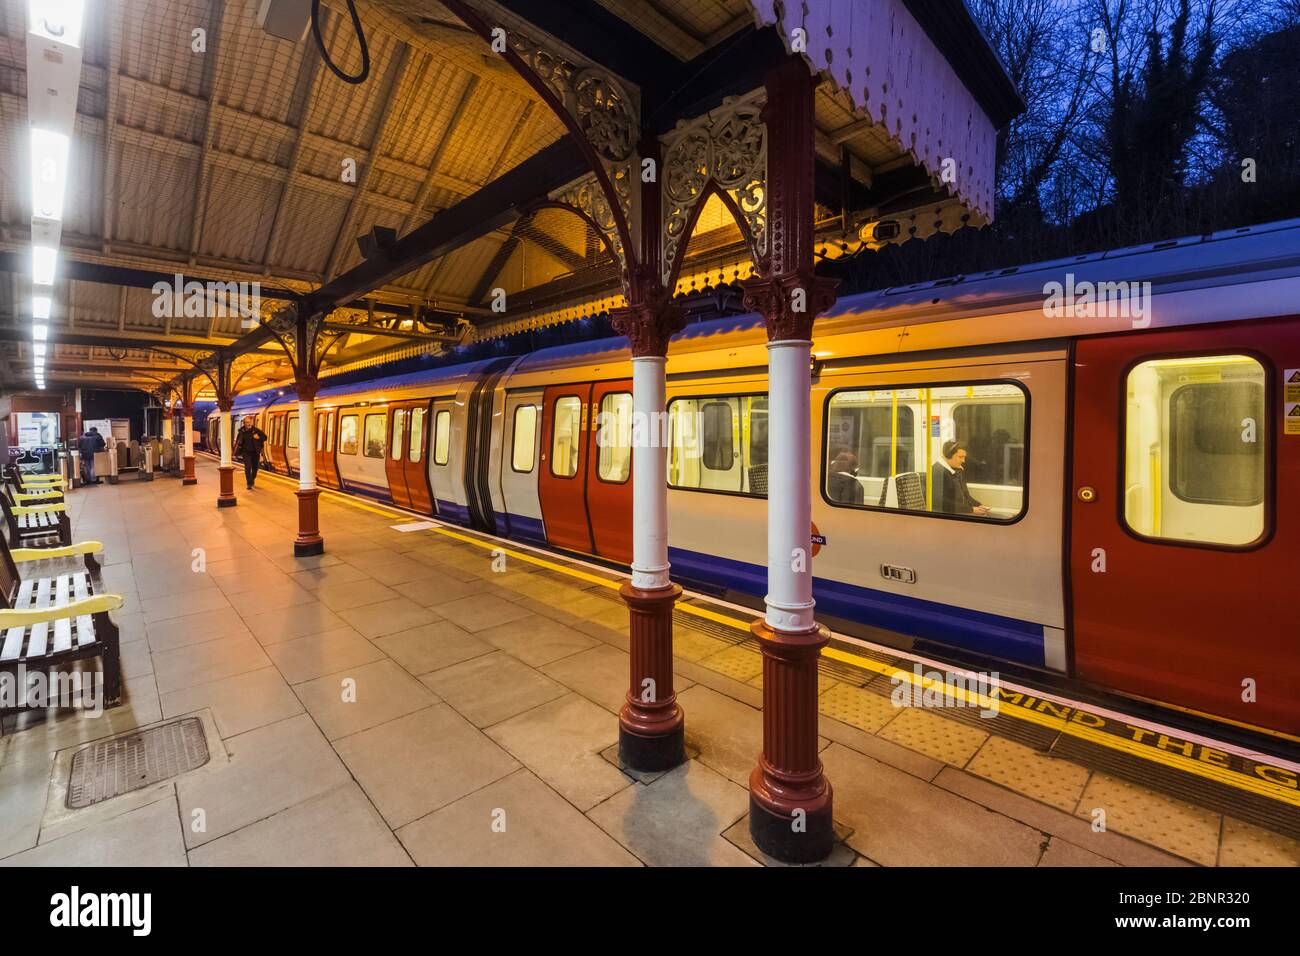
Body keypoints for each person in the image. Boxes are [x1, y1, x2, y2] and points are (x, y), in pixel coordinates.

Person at [931, 440, 990, 517]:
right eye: (960, 457)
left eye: (964, 457)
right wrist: (971, 510)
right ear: (948, 455)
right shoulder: (937, 471)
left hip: (961, 512)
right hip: (948, 516)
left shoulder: (958, 470)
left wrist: (978, 505)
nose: (963, 461)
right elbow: (939, 501)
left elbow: (965, 495)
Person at [233, 416, 268, 490]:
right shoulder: (241, 431)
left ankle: (252, 479)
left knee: (255, 468)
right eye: (246, 422)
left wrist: (258, 438)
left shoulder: (256, 431)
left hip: (255, 452)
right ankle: (249, 483)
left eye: (249, 422)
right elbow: (238, 442)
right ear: (244, 423)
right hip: (245, 453)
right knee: (247, 467)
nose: (248, 424)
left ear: (251, 423)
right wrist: (235, 451)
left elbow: (265, 437)